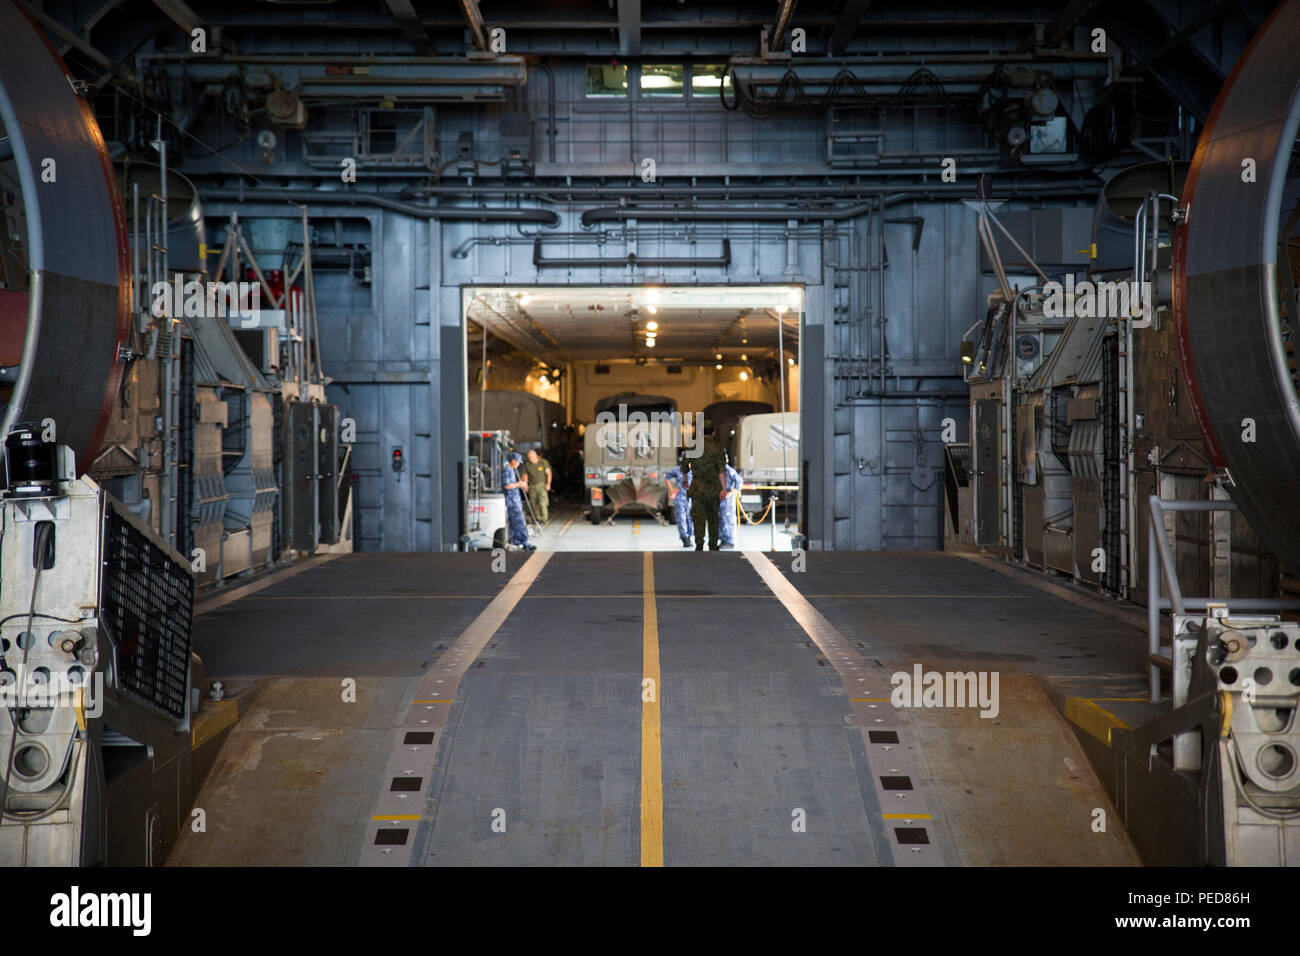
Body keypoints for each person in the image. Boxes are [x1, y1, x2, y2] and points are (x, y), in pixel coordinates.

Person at [687, 424, 727, 551]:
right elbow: (722, 470)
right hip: (713, 488)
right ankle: (713, 545)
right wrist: (724, 488)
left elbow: (684, 466)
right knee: (713, 517)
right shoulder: (718, 448)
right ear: (714, 432)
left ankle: (699, 544)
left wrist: (684, 480)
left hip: (697, 487)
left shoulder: (693, 446)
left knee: (698, 517)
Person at [503, 451, 535, 550]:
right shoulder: (507, 470)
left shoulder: (512, 470)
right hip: (512, 501)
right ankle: (524, 543)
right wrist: (519, 484)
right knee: (519, 521)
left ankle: (517, 542)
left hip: (515, 500)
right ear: (513, 461)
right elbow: (507, 485)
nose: (518, 464)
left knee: (515, 523)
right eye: (517, 462)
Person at [664, 451, 694, 548]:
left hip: (691, 499)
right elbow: (667, 478)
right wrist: (672, 490)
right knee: (681, 518)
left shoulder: (695, 471)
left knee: (691, 519)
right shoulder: (677, 470)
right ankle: (684, 538)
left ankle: (690, 536)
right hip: (680, 498)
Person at [523, 448, 552, 524]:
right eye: (529, 458)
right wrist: (525, 484)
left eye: (532, 457)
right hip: (532, 486)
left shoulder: (543, 462)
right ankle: (538, 519)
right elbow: (525, 475)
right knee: (534, 503)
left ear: (536, 456)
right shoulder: (527, 464)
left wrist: (548, 483)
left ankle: (544, 519)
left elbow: (548, 473)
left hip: (541, 485)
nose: (530, 459)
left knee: (542, 503)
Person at [718, 462, 742, 549]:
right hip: (719, 499)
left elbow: (739, 482)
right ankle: (723, 540)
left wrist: (731, 492)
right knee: (720, 520)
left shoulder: (729, 470)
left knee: (728, 520)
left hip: (727, 501)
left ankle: (729, 542)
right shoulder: (716, 470)